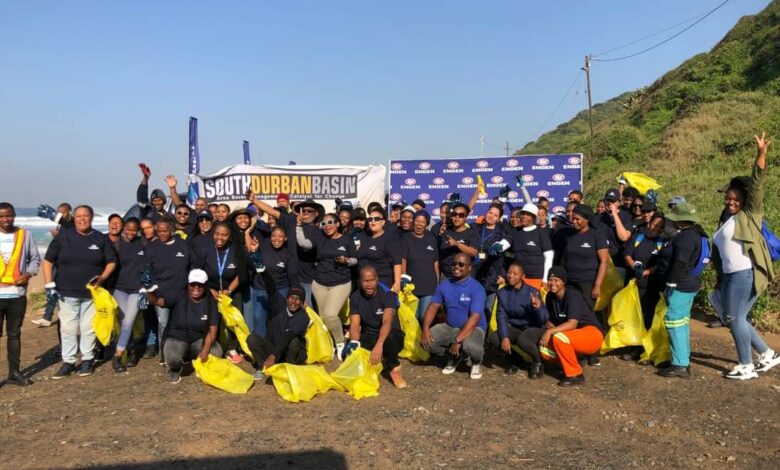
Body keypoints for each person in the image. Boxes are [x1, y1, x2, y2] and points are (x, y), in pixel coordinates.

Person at [712, 133, 779, 380]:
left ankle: (746, 365)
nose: (730, 202)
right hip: (730, 276)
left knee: (735, 318)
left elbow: (758, 182)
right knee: (734, 317)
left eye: (735, 199)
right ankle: (767, 353)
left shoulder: (749, 215)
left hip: (744, 274)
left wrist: (761, 153)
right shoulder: (725, 220)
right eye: (727, 198)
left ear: (743, 201)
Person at [43, 205, 117, 379]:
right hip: (66, 292)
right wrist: (49, 285)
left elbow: (112, 261)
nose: (82, 219)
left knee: (88, 328)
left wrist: (102, 278)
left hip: (92, 293)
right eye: (79, 216)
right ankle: (68, 362)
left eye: (86, 216)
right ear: (73, 218)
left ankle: (87, 360)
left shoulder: (100, 238)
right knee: (68, 328)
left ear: (91, 218)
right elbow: (47, 262)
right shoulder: (63, 236)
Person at [658, 201, 709, 379]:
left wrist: (671, 283)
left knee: (673, 321)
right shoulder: (698, 234)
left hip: (681, 285)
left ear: (679, 220)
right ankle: (681, 359)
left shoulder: (686, 238)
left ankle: (680, 364)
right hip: (691, 283)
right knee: (682, 322)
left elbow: (680, 261)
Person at [296, 212, 356, 358]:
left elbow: (355, 260)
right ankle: (330, 343)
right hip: (320, 283)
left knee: (331, 315)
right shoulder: (320, 237)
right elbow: (304, 243)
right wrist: (298, 226)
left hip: (341, 282)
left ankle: (341, 343)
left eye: (330, 223)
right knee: (323, 317)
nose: (327, 226)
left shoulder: (347, 240)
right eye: (323, 224)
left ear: (338, 224)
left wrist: (346, 260)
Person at [147, 269, 222, 384]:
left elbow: (213, 330)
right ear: (188, 284)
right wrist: (150, 292)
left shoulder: (211, 302)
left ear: (206, 285)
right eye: (193, 284)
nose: (196, 288)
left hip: (199, 339)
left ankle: (198, 362)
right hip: (177, 337)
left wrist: (205, 351)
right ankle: (175, 369)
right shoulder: (178, 295)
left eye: (200, 284)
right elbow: (158, 301)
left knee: (216, 351)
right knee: (172, 356)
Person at [421, 253, 486, 379]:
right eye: (454, 264)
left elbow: (475, 317)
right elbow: (433, 307)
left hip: (474, 328)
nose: (457, 267)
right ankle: (456, 355)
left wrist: (458, 340)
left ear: (469, 268)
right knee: (426, 343)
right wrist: (425, 329)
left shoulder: (477, 288)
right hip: (451, 326)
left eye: (461, 264)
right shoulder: (444, 285)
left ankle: (476, 362)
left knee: (470, 346)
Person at [343, 266, 407, 389]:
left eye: (372, 280)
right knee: (349, 355)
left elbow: (387, 321)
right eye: (365, 281)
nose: (369, 285)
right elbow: (355, 324)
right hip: (369, 334)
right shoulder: (355, 297)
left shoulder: (388, 295)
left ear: (377, 279)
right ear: (359, 281)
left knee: (391, 339)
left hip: (389, 334)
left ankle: (394, 367)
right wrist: (354, 343)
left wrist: (379, 344)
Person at [539, 267, 604, 386]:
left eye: (556, 280)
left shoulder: (572, 295)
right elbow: (552, 320)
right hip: (573, 335)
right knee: (544, 349)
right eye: (550, 279)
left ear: (564, 282)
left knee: (559, 338)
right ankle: (574, 361)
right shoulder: (549, 297)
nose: (552, 283)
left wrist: (550, 331)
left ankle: (575, 375)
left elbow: (572, 323)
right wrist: (548, 324)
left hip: (592, 333)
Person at [0, 202, 41, 386]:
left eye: (9, 215)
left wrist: (28, 274)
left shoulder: (25, 235)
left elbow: (35, 259)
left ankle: (14, 373)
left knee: (14, 334)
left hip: (16, 295)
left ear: (14, 215)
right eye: (1, 216)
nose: (6, 219)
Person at [245, 269, 309, 379]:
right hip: (274, 351)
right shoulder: (279, 305)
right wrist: (263, 271)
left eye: (298, 299)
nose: (293, 302)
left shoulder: (303, 317)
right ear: (286, 299)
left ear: (302, 303)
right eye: (291, 297)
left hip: (289, 354)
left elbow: (288, 336)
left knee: (294, 342)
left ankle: (289, 370)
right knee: (252, 339)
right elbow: (271, 288)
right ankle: (263, 368)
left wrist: (273, 355)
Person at [487, 262, 548, 378]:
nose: (510, 276)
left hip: (534, 327)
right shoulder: (502, 292)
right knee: (494, 338)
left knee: (523, 339)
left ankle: (538, 362)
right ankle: (515, 360)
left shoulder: (533, 292)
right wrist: (505, 337)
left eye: (515, 274)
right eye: (509, 272)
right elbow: (501, 316)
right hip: (517, 327)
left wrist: (538, 308)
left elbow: (543, 320)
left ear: (522, 276)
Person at [623, 213, 668, 361]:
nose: (657, 228)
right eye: (655, 225)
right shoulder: (638, 237)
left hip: (652, 286)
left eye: (661, 227)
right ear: (649, 223)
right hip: (634, 283)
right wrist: (634, 266)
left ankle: (646, 349)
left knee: (648, 317)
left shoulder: (663, 242)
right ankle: (634, 345)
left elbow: (661, 262)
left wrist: (647, 272)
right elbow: (628, 254)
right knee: (634, 316)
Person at [145, 218, 191, 362]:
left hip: (181, 295)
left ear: (171, 230)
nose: (162, 234)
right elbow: (146, 273)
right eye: (159, 231)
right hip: (161, 296)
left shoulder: (183, 245)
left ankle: (183, 354)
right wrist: (153, 296)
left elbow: (192, 267)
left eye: (165, 230)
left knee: (181, 325)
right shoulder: (152, 247)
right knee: (163, 325)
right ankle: (164, 355)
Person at [247, 226, 299, 337]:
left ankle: (276, 348)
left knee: (279, 318)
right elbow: (252, 266)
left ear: (285, 238)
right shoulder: (262, 247)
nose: (276, 239)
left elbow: (292, 274)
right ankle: (260, 347)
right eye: (274, 235)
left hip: (280, 289)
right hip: (261, 288)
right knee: (258, 317)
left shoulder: (288, 254)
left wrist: (296, 291)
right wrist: (254, 252)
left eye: (280, 236)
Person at [110, 217, 146, 372]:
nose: (131, 232)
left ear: (138, 230)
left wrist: (146, 287)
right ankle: (130, 349)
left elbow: (149, 266)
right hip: (120, 289)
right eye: (128, 229)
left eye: (134, 230)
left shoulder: (143, 243)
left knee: (128, 322)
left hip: (137, 290)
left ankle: (117, 356)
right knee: (126, 322)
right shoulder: (117, 245)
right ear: (124, 228)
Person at [560, 204, 609, 311]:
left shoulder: (596, 235)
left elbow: (604, 262)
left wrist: (597, 285)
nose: (574, 221)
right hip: (569, 282)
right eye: (573, 218)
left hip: (587, 284)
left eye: (578, 219)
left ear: (587, 219)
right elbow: (564, 258)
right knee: (570, 311)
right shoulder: (568, 235)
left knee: (586, 313)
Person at [493, 203, 553, 291]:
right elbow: (506, 242)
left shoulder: (541, 233)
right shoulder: (515, 231)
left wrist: (545, 279)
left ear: (533, 217)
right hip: (518, 279)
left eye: (528, 214)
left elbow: (549, 256)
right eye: (523, 214)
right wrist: (497, 246)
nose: (524, 216)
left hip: (536, 279)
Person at [401, 210, 440, 322]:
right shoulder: (406, 238)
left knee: (424, 317)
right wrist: (403, 279)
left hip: (429, 286)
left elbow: (435, 262)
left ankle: (425, 338)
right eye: (417, 221)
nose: (419, 224)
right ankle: (415, 340)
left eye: (422, 222)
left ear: (427, 224)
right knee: (413, 318)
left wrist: (438, 283)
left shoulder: (431, 238)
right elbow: (403, 260)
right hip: (411, 287)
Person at [356, 208, 402, 292]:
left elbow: (397, 263)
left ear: (383, 222)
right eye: (370, 219)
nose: (373, 221)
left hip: (382, 282)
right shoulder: (362, 236)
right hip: (362, 282)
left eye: (377, 219)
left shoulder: (390, 238)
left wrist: (397, 283)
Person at [437, 202, 479, 279]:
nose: (457, 217)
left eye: (461, 215)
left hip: (464, 277)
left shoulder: (471, 233)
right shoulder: (445, 231)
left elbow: (474, 253)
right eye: (454, 214)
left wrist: (457, 244)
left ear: (466, 218)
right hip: (445, 276)